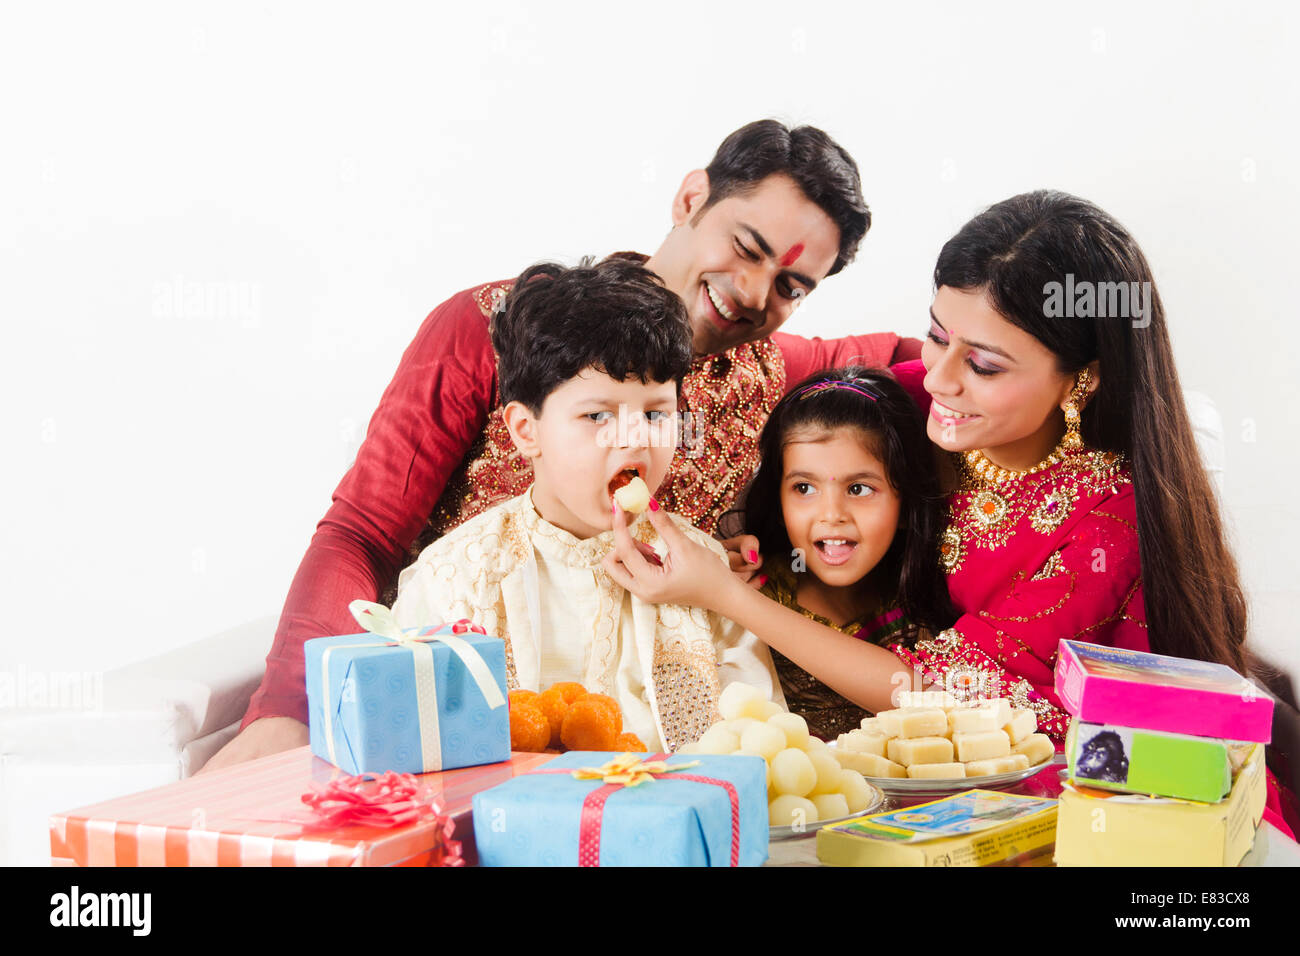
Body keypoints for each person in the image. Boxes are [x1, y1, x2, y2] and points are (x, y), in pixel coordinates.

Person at [204, 119, 918, 772]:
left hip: (661, 749)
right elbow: (362, 534)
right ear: (690, 197)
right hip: (467, 706)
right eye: (745, 247)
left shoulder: (764, 370)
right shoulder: (496, 332)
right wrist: (289, 711)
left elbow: (914, 357)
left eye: (791, 284)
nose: (754, 291)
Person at [604, 189, 1298, 837]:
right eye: (937, 336)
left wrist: (722, 592)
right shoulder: (910, 403)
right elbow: (791, 388)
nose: (941, 378)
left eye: (985, 366)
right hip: (908, 758)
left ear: (1082, 378)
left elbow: (936, 691)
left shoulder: (1106, 520)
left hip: (1075, 778)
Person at [390, 258, 782, 751]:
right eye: (597, 414)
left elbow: (762, 744)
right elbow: (412, 746)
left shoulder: (702, 570)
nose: (634, 439)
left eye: (656, 413)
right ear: (525, 430)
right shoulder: (454, 575)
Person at [719, 366, 954, 739]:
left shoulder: (926, 599)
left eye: (859, 489)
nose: (831, 515)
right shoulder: (750, 592)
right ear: (777, 501)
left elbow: (941, 708)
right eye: (804, 488)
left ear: (906, 502)